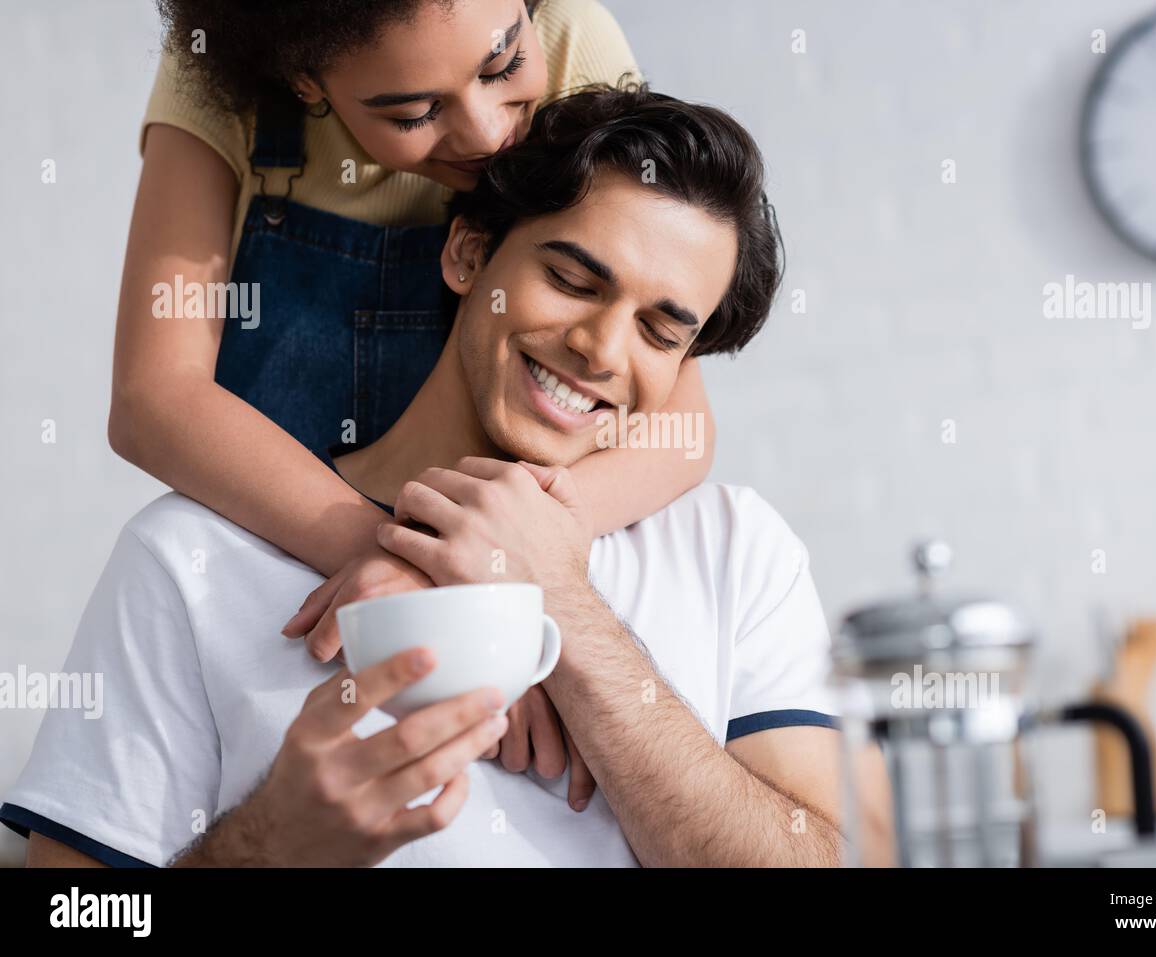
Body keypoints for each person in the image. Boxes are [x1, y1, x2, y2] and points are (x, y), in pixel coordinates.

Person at [5, 86, 893, 867]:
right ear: (468, 256)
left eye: (662, 332)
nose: (600, 348)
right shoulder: (186, 561)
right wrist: (271, 847)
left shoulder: (736, 553)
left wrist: (559, 600)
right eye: (571, 278)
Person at [112, 0, 716, 799]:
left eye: (503, 66)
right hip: (292, 575)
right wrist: (414, 559)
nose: (486, 132)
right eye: (415, 111)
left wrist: (507, 562)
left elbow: (681, 425)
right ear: (304, 78)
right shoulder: (220, 83)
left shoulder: (571, 37)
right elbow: (154, 394)